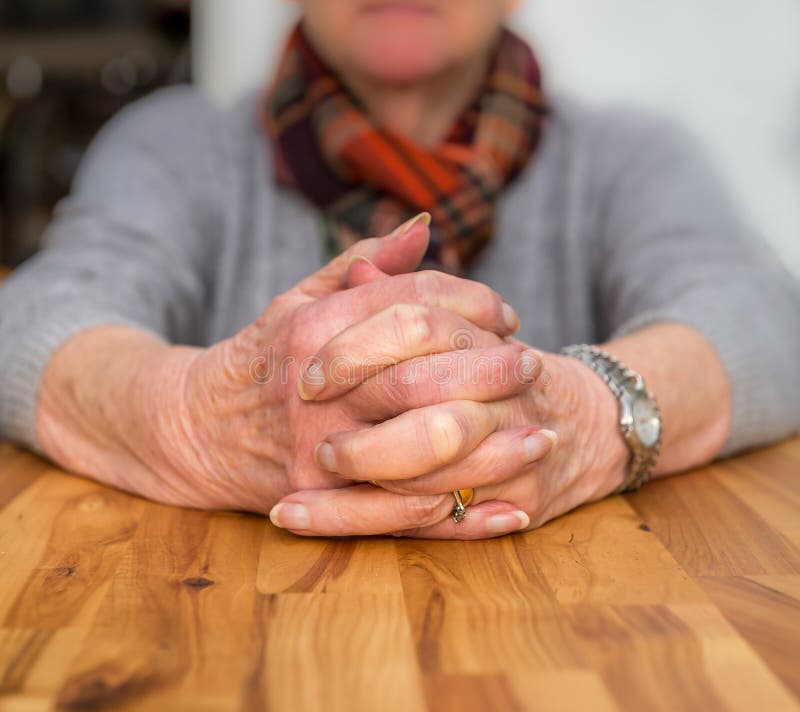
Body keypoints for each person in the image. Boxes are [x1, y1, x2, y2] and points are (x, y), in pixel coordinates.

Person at [0, 0, 798, 540]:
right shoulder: (174, 146)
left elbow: (764, 318)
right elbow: (36, 313)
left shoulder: (629, 156)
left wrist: (587, 415)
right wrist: (189, 417)